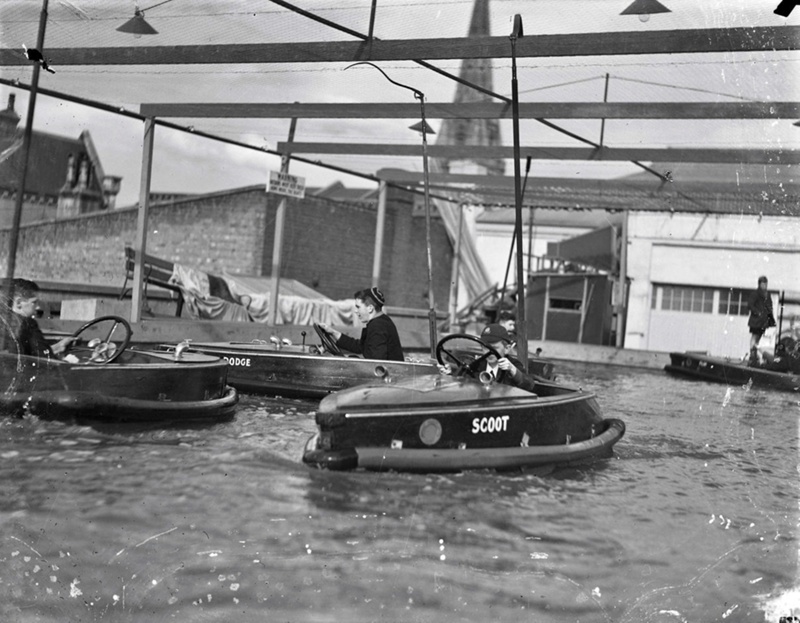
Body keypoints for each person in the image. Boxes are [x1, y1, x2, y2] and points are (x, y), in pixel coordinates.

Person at [440, 323, 538, 393]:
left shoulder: (513, 365)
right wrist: (450, 375)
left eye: (494, 348)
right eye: (485, 348)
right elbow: (464, 384)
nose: (488, 353)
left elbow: (529, 385)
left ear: (507, 348)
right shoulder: (476, 365)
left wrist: (513, 370)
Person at [317, 287, 404, 361]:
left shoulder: (378, 325)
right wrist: (333, 332)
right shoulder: (382, 321)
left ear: (370, 308)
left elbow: (376, 361)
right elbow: (360, 346)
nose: (355, 311)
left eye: (358, 307)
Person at [2, 278, 74, 358]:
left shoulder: (3, 321)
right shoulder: (27, 324)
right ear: (19, 303)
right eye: (34, 302)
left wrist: (58, 347)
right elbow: (45, 358)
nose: (37, 307)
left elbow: (30, 354)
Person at [747, 275, 775, 361]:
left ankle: (754, 354)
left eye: (766, 284)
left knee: (758, 338)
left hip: (763, 321)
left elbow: (769, 306)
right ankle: (752, 354)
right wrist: (758, 313)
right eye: (763, 284)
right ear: (759, 284)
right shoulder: (755, 294)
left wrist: (771, 319)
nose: (765, 286)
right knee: (754, 337)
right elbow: (750, 305)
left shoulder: (767, 294)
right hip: (756, 321)